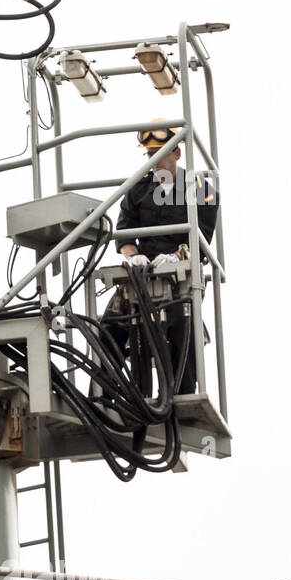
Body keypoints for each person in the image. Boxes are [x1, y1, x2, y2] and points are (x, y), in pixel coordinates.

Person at [104, 121, 218, 396]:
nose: (153, 160)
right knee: (110, 326)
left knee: (181, 320)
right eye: (149, 153)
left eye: (159, 152)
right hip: (142, 273)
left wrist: (175, 257)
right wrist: (134, 257)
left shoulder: (201, 188)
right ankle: (107, 394)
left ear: (177, 154)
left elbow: (202, 238)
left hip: (183, 271)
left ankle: (181, 393)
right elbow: (125, 234)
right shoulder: (137, 188)